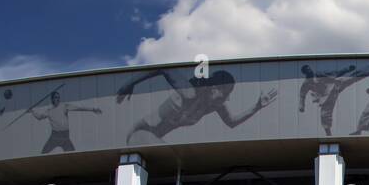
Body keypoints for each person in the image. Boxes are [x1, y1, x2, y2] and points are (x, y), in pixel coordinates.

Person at [117, 68, 277, 143]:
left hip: (154, 138)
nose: (227, 99)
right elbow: (164, 69)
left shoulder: (214, 105)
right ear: (214, 88)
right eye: (226, 93)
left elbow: (231, 122)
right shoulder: (190, 92)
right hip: (140, 132)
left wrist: (257, 107)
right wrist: (129, 84)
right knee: (170, 156)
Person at [299, 62, 369, 136]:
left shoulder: (319, 74)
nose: (310, 70)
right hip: (326, 97)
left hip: (336, 85)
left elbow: (336, 73)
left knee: (352, 77)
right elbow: (302, 95)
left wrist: (347, 69)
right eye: (307, 70)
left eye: (309, 69)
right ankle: (328, 134)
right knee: (324, 114)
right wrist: (301, 106)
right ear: (305, 73)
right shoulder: (306, 83)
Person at [29, 90, 100, 154]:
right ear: (52, 99)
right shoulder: (49, 111)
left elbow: (79, 108)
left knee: (73, 155)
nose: (58, 99)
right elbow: (39, 117)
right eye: (56, 97)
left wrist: (93, 109)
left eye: (58, 97)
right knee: (43, 153)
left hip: (65, 137)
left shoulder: (64, 106)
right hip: (55, 137)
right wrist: (32, 111)